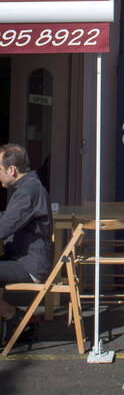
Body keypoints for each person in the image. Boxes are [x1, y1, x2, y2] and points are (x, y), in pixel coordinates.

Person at [0, 144, 53, 347]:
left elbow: (4, 227)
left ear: (11, 169)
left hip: (28, 265)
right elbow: (8, 219)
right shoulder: (28, 187)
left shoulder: (27, 191)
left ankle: (14, 317)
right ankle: (14, 318)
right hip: (23, 259)